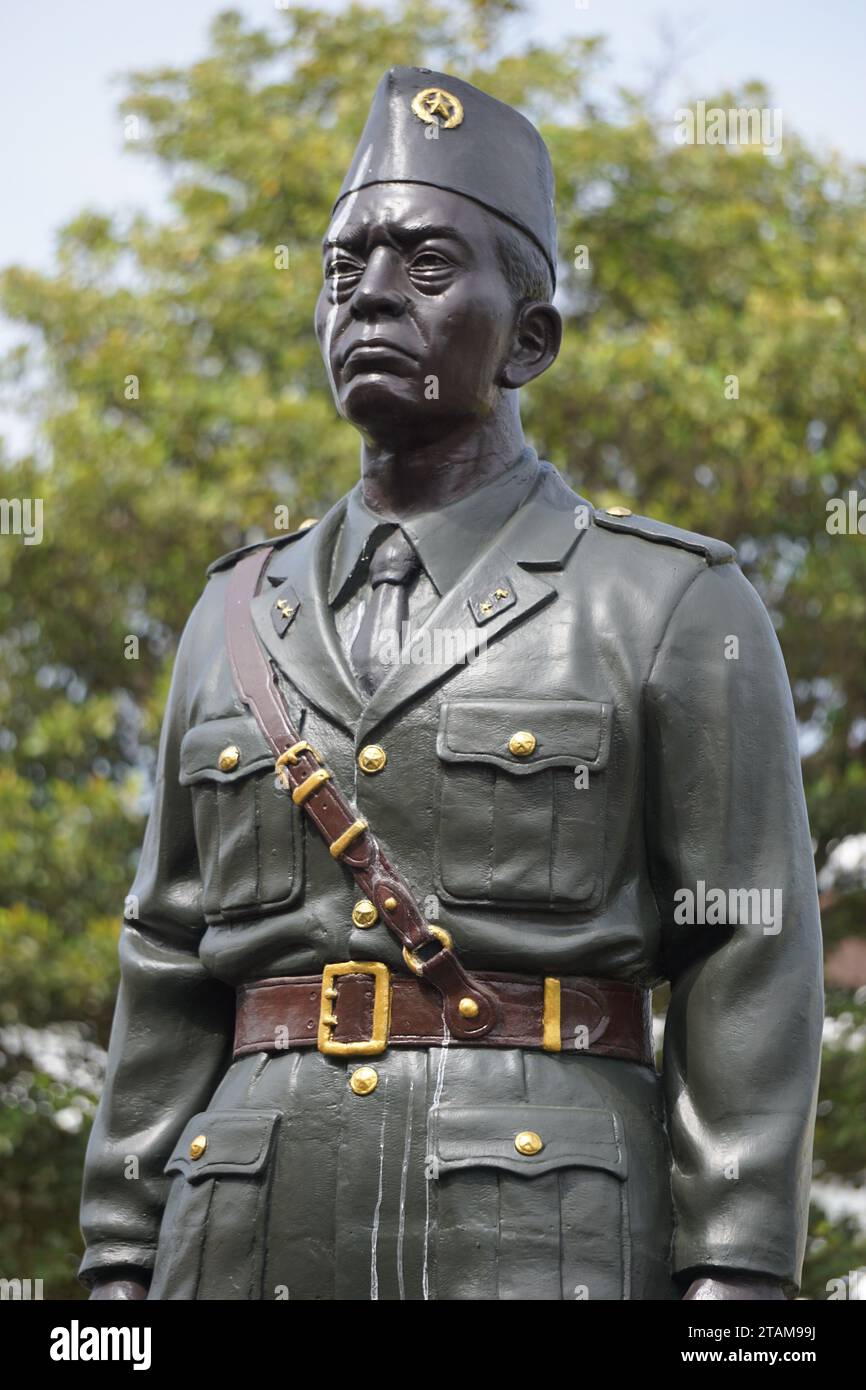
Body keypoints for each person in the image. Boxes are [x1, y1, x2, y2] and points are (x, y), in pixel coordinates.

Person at [81, 66, 823, 1301]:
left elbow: (747, 947)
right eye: (341, 270)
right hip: (233, 1234)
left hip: (541, 1235)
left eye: (425, 266)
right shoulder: (227, 616)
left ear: (530, 337)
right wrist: (115, 1260)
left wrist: (736, 1278)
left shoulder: (668, 604)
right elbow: (165, 950)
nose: (369, 295)